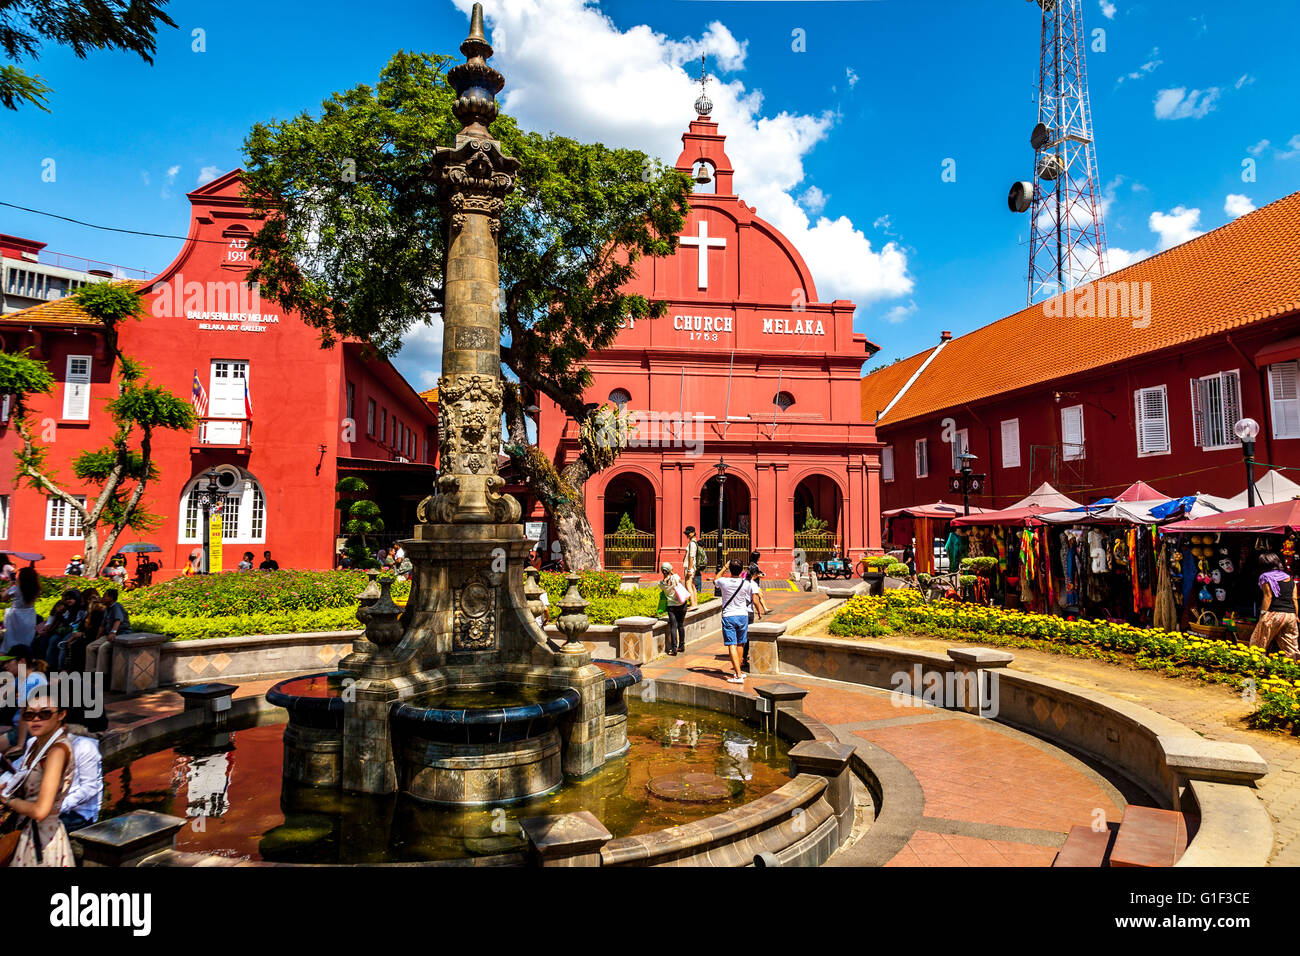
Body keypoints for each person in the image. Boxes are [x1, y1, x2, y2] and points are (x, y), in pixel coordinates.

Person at [0, 690, 76, 866]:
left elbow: (40, 810)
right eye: (29, 714)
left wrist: (6, 798)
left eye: (44, 713)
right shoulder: (35, 743)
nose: (36, 719)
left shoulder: (57, 751)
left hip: (41, 840)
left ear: (61, 714)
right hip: (26, 832)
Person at [24, 728, 101, 834]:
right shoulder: (33, 743)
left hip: (77, 812)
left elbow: (89, 789)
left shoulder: (84, 747)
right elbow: (23, 769)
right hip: (42, 804)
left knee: (32, 829)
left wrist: (57, 807)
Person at [714, 559, 759, 684]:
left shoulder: (723, 581)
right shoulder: (746, 584)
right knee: (740, 644)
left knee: (732, 644)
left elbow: (715, 579)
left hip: (729, 616)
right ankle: (738, 672)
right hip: (743, 615)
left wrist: (724, 567)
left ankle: (738, 675)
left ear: (730, 569)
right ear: (741, 570)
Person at [1250, 553, 1299, 660]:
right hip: (1290, 615)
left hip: (1274, 614)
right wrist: (1296, 616)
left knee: (1258, 642)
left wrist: (1263, 614)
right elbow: (1294, 599)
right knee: (1290, 646)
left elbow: (1268, 597)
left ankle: (1258, 667)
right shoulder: (1290, 578)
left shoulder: (1265, 577)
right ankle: (1294, 669)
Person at [85, 589, 129, 677]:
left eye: (105, 596)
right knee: (90, 647)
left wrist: (113, 632)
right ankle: (90, 672)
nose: (102, 598)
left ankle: (102, 675)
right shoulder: (107, 609)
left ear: (111, 598)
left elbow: (118, 620)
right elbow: (102, 625)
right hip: (108, 634)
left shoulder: (116, 607)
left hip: (120, 634)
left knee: (103, 648)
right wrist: (98, 637)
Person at [741, 553, 770, 672]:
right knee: (748, 636)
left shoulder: (742, 581)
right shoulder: (753, 584)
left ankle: (740, 657)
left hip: (740, 611)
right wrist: (759, 612)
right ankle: (744, 658)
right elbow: (755, 600)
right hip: (748, 612)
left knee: (741, 635)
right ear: (754, 574)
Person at [2, 567, 39, 655]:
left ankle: (8, 665)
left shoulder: (15, 589)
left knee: (10, 642)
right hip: (29, 616)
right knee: (25, 641)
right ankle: (22, 666)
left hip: (15, 617)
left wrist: (10, 586)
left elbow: (4, 597)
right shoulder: (35, 588)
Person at [658, 561, 689, 655]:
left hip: (671, 606)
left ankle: (674, 649)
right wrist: (671, 571)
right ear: (670, 570)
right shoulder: (675, 577)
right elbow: (678, 580)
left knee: (673, 627)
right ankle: (682, 646)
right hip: (682, 604)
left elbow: (666, 582)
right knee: (681, 625)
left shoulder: (661, 584)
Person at [683, 526, 701, 609]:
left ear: (693, 533)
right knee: (692, 585)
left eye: (688, 533)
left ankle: (693, 604)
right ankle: (695, 603)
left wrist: (689, 569)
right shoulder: (693, 543)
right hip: (692, 567)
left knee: (688, 585)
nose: (687, 535)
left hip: (689, 567)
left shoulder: (692, 543)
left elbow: (691, 557)